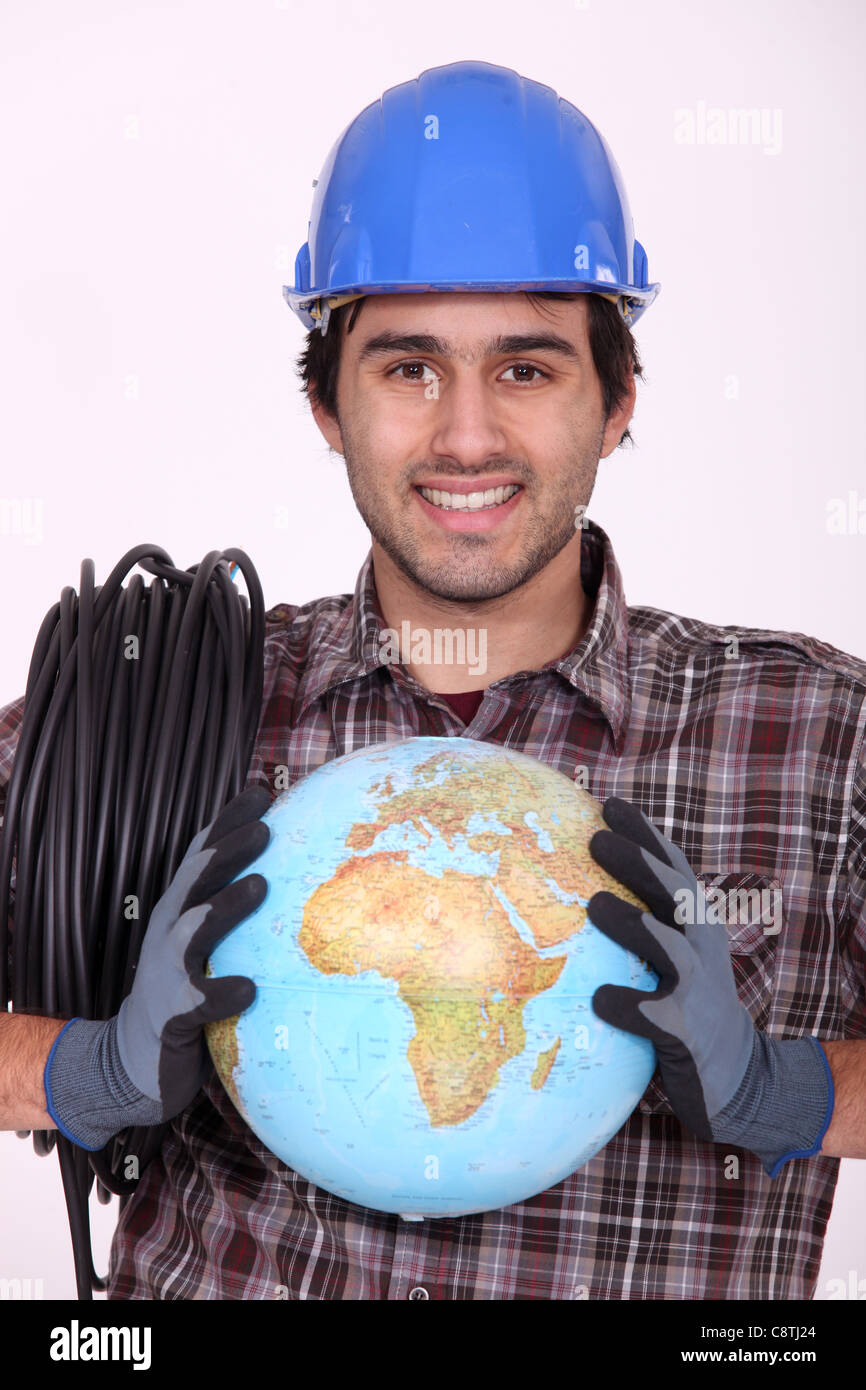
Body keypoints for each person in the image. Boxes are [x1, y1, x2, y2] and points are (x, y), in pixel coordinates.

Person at [1, 59, 864, 1301]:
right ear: (326, 404)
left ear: (617, 399)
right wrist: (76, 1072)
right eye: (408, 367)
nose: (465, 435)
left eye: (526, 368)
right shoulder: (149, 712)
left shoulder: (814, 735)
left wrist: (789, 1091)